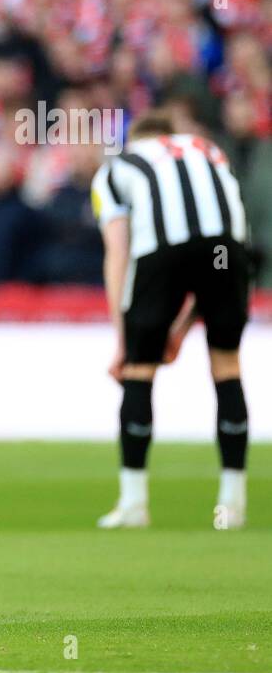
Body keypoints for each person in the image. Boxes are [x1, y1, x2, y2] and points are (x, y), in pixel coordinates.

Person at [91, 112, 250, 529]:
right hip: (226, 250)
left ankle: (133, 504)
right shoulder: (209, 150)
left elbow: (118, 253)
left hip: (161, 252)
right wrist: (180, 329)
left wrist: (124, 339)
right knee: (227, 364)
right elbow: (222, 231)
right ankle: (231, 506)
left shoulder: (117, 167)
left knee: (139, 371)